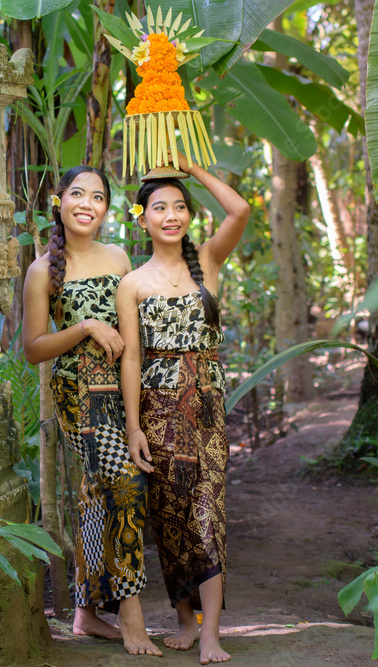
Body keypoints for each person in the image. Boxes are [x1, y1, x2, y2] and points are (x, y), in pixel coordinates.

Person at [22, 165, 162, 656]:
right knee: (125, 483)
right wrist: (83, 327)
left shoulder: (120, 255)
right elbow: (34, 348)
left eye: (97, 196)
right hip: (79, 394)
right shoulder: (42, 270)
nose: (87, 203)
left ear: (106, 207)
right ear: (58, 200)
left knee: (96, 495)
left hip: (125, 388)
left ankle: (84, 611)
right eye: (77, 193)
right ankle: (130, 613)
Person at [116, 162, 249, 664]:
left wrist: (190, 170)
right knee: (170, 518)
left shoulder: (209, 261)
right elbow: (131, 357)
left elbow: (239, 209)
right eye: (159, 208)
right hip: (157, 412)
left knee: (207, 514)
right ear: (142, 219)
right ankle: (184, 620)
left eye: (179, 207)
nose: (171, 216)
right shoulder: (132, 283)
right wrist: (133, 426)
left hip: (208, 409)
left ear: (189, 215)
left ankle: (211, 632)